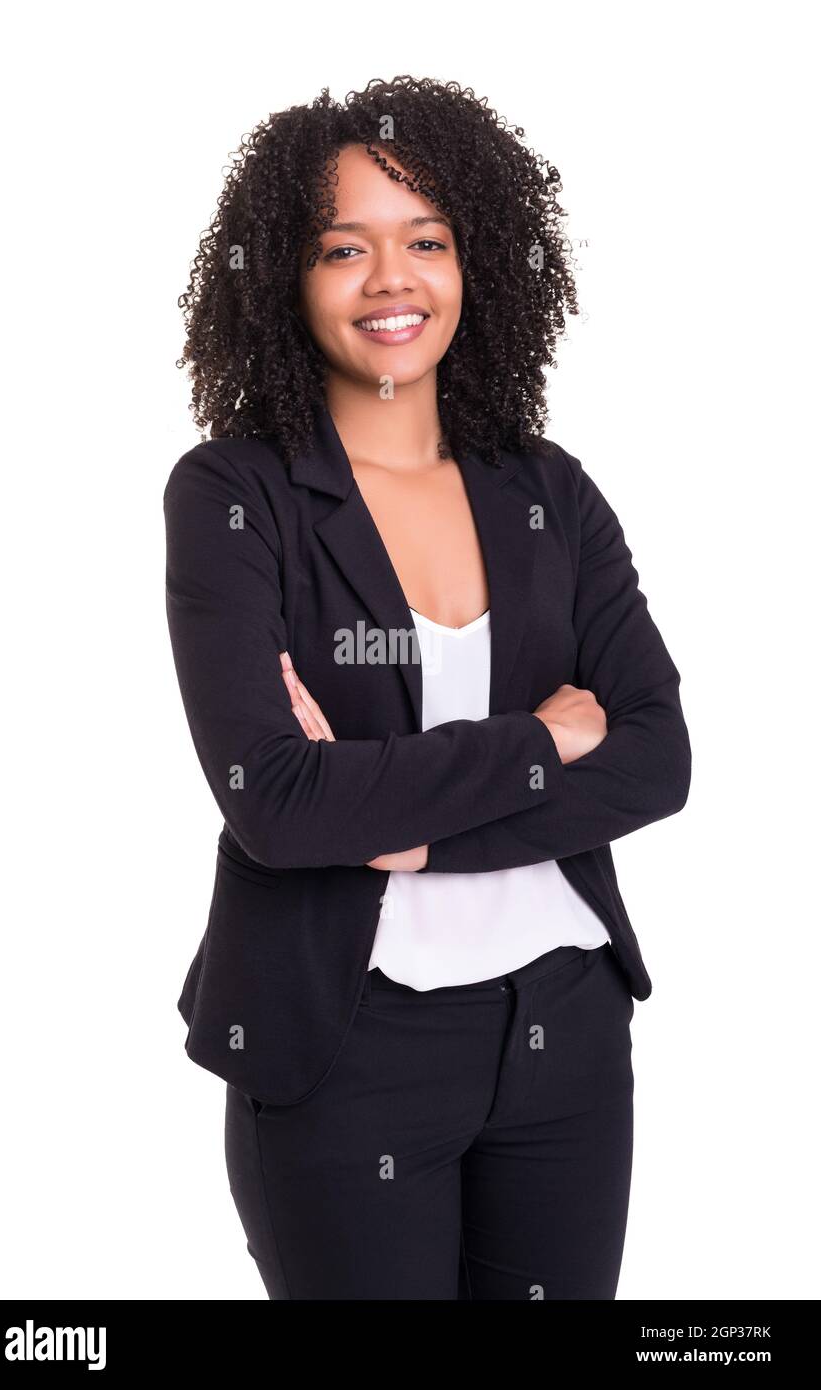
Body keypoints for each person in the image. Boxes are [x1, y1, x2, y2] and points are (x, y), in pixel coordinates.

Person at [164, 76, 691, 1300]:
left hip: (563, 1026)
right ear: (286, 281)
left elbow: (657, 756)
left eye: (427, 241)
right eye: (342, 247)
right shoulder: (232, 498)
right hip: (347, 1042)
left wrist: (404, 831)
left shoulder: (547, 490)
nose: (390, 280)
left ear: (478, 263)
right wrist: (541, 740)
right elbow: (280, 803)